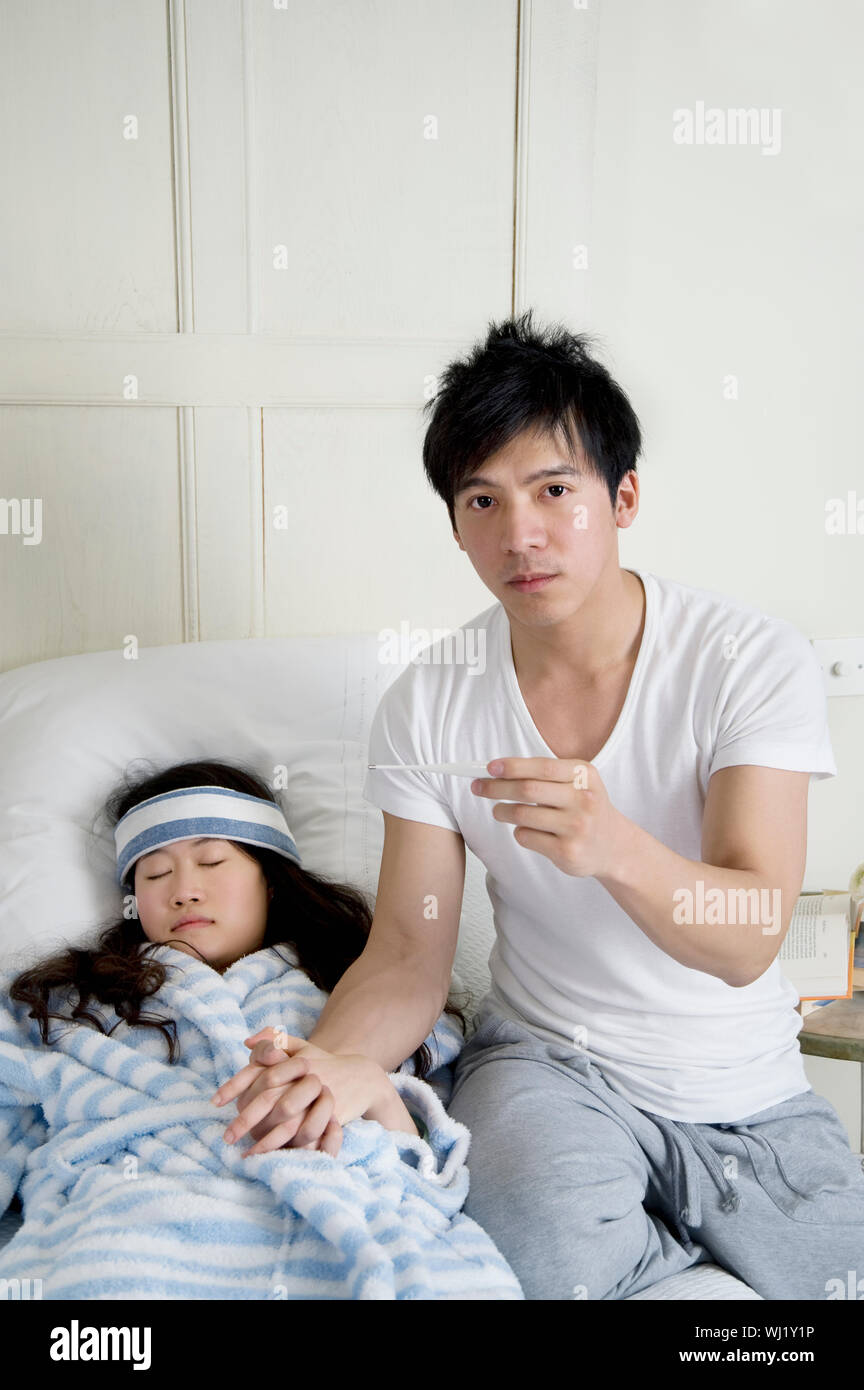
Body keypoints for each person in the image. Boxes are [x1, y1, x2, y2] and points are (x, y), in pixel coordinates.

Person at [219, 311, 864, 1300]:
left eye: (554, 490)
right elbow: (405, 952)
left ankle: (670, 1245)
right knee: (543, 1270)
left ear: (624, 496)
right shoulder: (432, 701)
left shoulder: (746, 658)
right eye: (481, 500)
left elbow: (748, 934)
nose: (518, 534)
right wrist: (335, 1064)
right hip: (551, 1071)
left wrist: (615, 847)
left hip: (745, 1097)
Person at [0, 759, 522, 1300]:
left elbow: (422, 1165)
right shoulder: (70, 1005)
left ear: (271, 881)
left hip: (336, 1211)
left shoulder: (354, 989)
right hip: (131, 1224)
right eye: (154, 873)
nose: (183, 890)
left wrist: (373, 1087)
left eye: (211, 861)